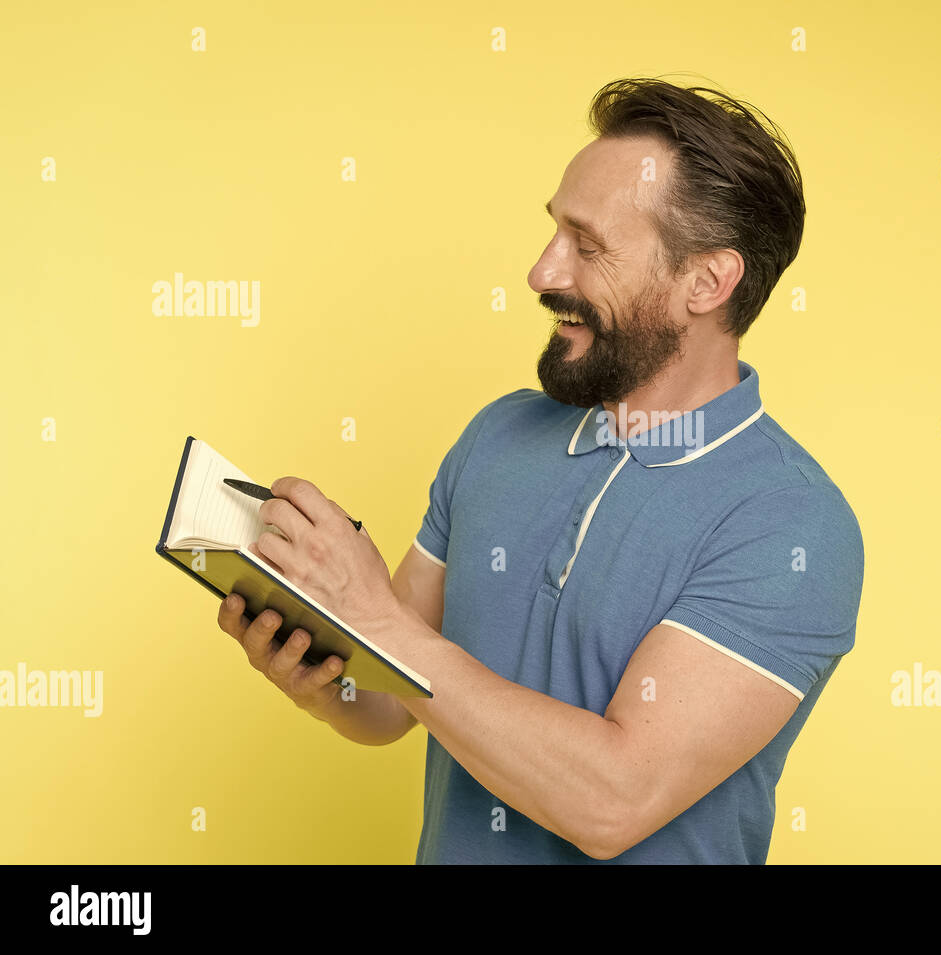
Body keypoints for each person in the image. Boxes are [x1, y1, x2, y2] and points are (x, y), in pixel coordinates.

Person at [216, 76, 865, 864]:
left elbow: (612, 800)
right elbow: (392, 701)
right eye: (554, 231)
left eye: (587, 246)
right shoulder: (500, 434)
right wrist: (323, 664)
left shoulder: (793, 526)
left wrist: (380, 624)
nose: (541, 272)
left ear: (707, 282)